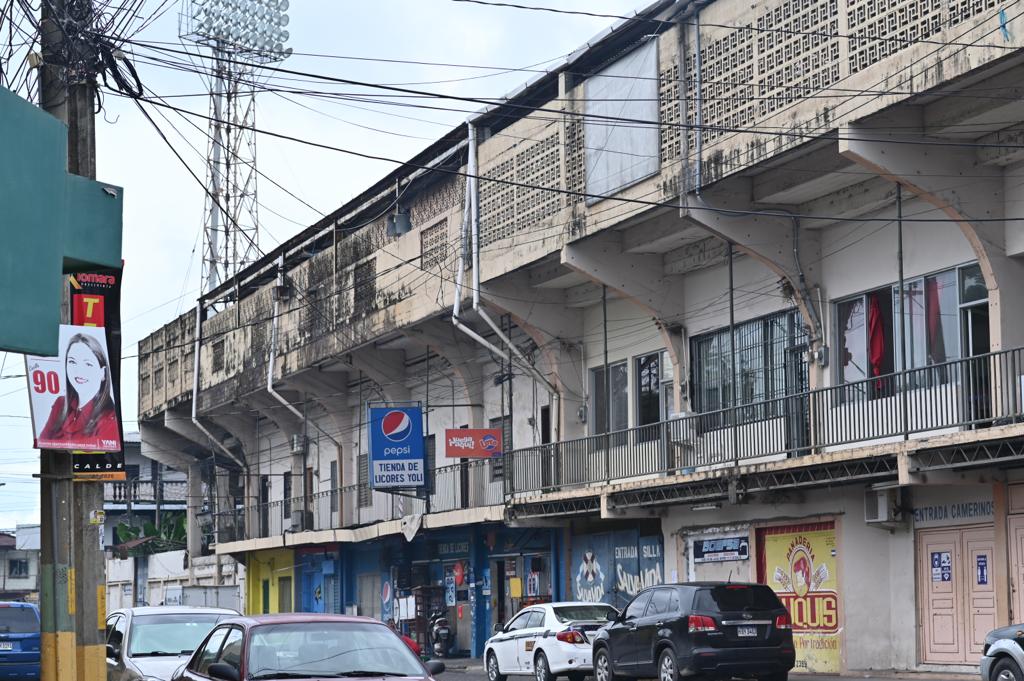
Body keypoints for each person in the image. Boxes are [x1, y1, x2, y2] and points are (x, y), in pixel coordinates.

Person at [39, 333, 119, 445]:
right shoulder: (60, 404)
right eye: (72, 362)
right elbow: (43, 441)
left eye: (88, 364)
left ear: (103, 372)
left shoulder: (109, 418)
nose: (79, 371)